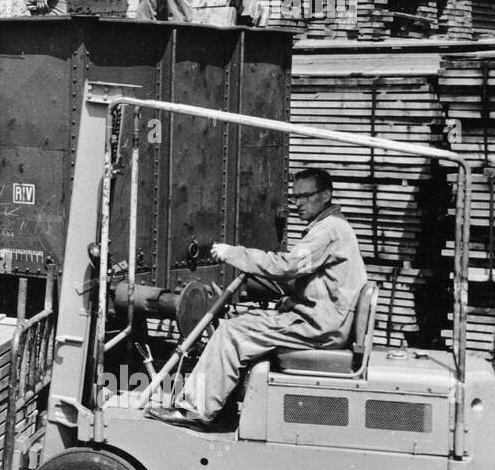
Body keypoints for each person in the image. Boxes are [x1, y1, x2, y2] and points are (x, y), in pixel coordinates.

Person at [148, 168, 367, 427]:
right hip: (323, 320)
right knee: (246, 322)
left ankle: (196, 410)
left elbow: (287, 266)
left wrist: (234, 254)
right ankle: (221, 406)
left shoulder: (327, 230)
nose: (298, 203)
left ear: (326, 195)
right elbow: (308, 278)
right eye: (295, 197)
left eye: (305, 196)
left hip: (318, 326)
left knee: (232, 331)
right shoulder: (332, 227)